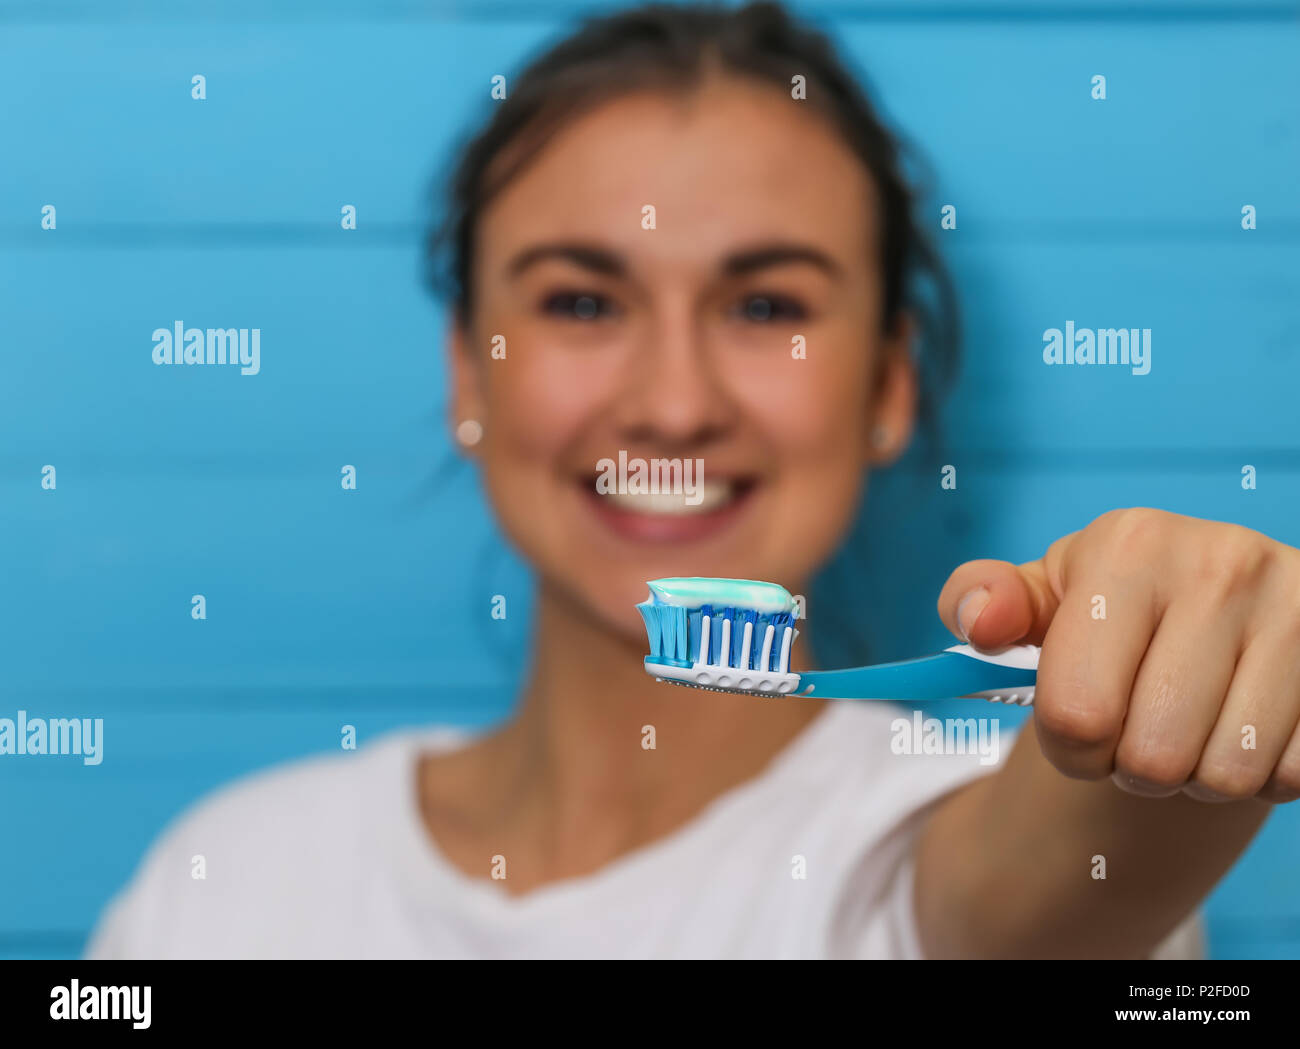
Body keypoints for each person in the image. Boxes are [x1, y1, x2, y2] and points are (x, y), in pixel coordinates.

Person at [86, 2, 1295, 960]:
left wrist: (1170, 685)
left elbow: (1050, 889)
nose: (672, 401)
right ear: (471, 372)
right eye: (581, 301)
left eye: (767, 305)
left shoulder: (936, 845)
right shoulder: (230, 880)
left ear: (887, 388)